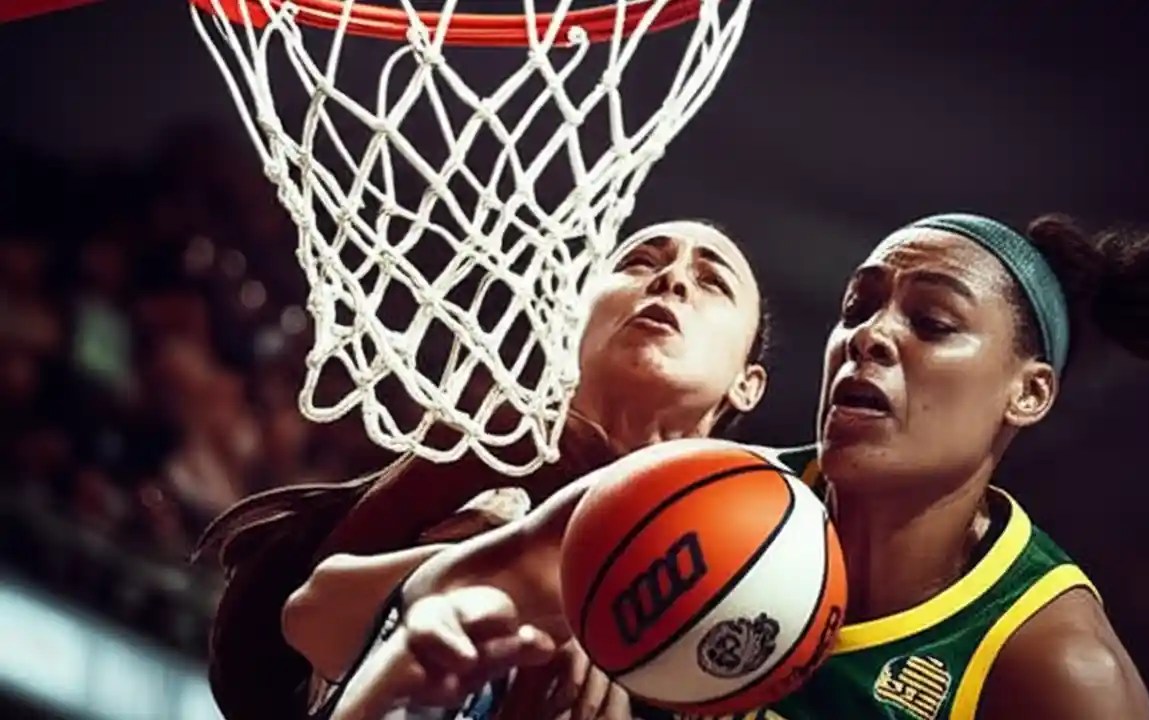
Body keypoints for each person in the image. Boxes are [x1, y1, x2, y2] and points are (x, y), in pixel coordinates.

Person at [322, 211, 1149, 720]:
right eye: (858, 307)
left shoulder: (1049, 666)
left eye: (930, 323)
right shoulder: (689, 501)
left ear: (1029, 393)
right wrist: (466, 632)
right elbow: (328, 622)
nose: (870, 338)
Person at [193, 218, 774, 719]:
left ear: (746, 386)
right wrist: (526, 580)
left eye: (711, 282)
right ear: (579, 314)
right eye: (638, 262)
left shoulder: (757, 561)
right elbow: (303, 622)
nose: (670, 280)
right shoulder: (468, 468)